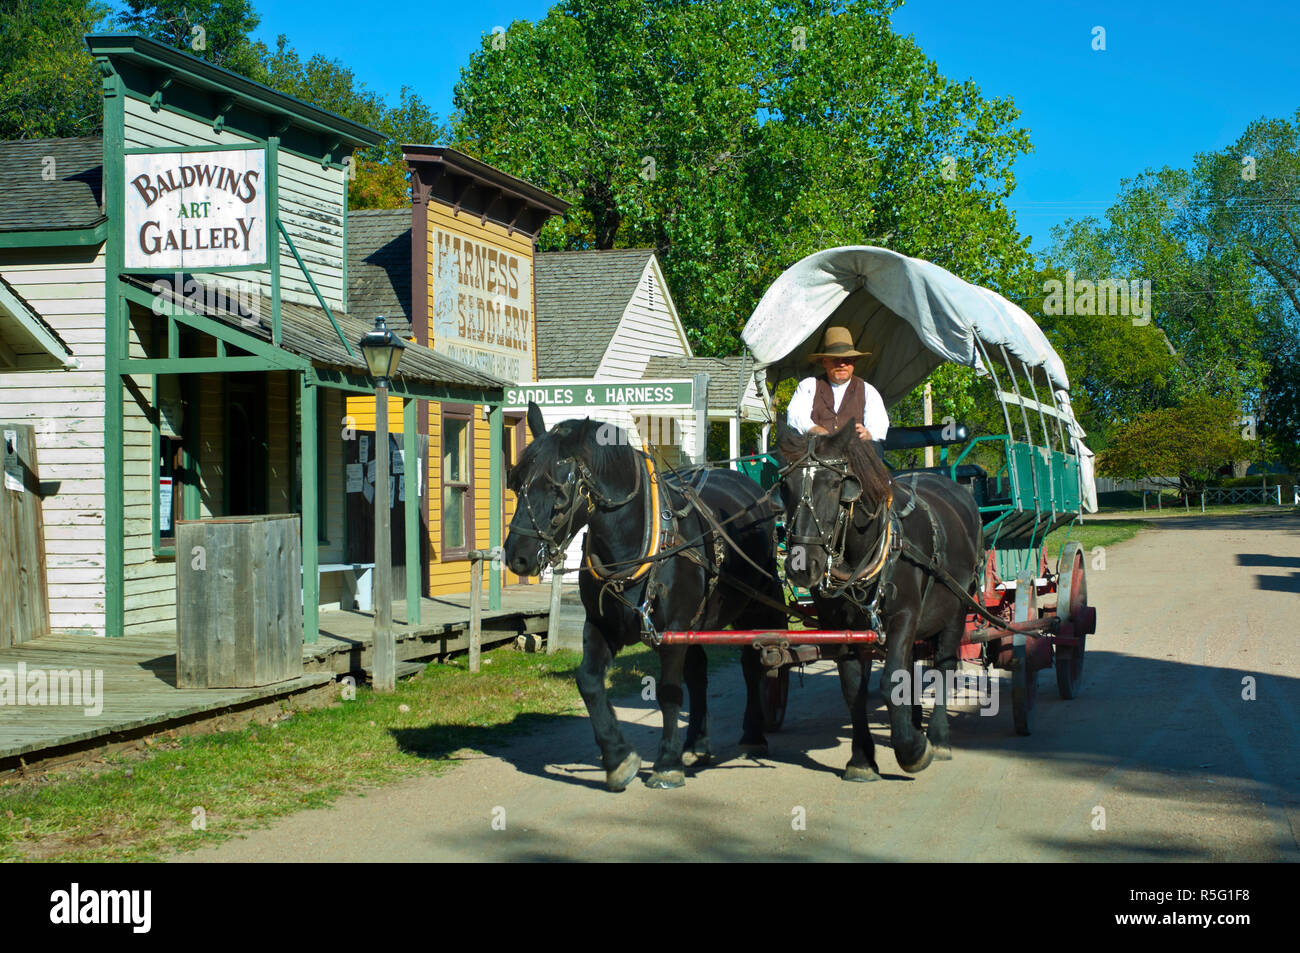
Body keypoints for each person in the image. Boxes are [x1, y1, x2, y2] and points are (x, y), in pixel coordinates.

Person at [786, 326, 889, 454]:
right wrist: (814, 429)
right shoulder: (808, 386)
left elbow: (879, 425)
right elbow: (796, 415)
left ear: (854, 362)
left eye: (847, 360)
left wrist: (868, 434)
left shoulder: (868, 391)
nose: (841, 364)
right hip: (816, 454)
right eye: (835, 360)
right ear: (825, 362)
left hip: (856, 456)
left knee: (875, 450)